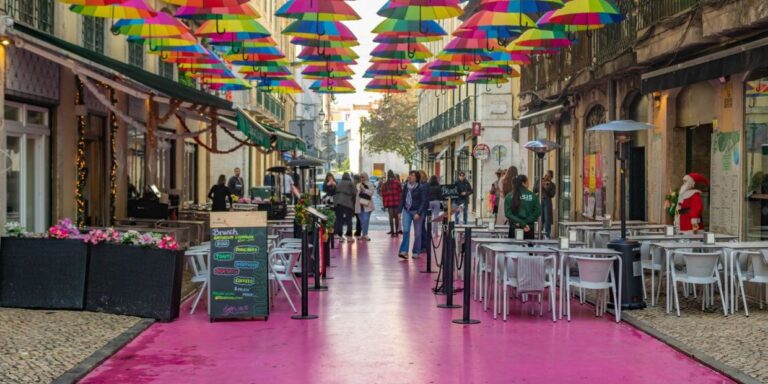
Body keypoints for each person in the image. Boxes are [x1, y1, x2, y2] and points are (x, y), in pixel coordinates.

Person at [399, 171, 427, 259]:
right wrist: (399, 211)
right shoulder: (405, 187)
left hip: (417, 212)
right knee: (406, 231)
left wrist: (418, 213)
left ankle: (416, 251)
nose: (410, 177)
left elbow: (423, 201)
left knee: (418, 233)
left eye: (412, 175)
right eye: (409, 175)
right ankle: (404, 251)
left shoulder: (421, 187)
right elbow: (402, 198)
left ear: (416, 178)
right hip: (407, 211)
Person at [504, 175, 541, 240]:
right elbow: (538, 211)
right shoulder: (533, 196)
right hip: (528, 228)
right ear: (523, 183)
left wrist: (521, 223)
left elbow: (508, 214)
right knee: (528, 249)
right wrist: (525, 223)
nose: (529, 183)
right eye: (528, 181)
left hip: (514, 228)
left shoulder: (509, 196)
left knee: (512, 249)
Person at [334, 173, 356, 242]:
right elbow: (355, 193)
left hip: (338, 203)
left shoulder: (339, 183)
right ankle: (349, 237)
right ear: (348, 177)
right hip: (347, 203)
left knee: (339, 220)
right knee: (349, 220)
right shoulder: (350, 183)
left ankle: (340, 237)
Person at [535, 170, 557, 238]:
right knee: (540, 218)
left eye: (548, 176)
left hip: (547, 201)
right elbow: (534, 189)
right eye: (546, 175)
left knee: (547, 220)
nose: (546, 177)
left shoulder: (552, 185)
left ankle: (547, 235)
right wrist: (541, 185)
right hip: (540, 201)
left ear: (551, 177)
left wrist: (546, 188)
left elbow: (552, 194)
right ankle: (539, 234)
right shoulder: (539, 181)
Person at [381, 170, 403, 237]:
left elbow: (383, 195)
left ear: (388, 175)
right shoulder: (397, 183)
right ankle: (396, 232)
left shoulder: (385, 184)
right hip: (396, 202)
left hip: (389, 203)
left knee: (390, 217)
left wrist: (384, 205)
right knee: (396, 217)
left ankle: (392, 232)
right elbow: (401, 192)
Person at [356, 172, 376, 241]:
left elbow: (371, 193)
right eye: (360, 177)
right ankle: (363, 234)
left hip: (367, 205)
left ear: (366, 177)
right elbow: (357, 194)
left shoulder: (370, 184)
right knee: (362, 221)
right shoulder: (358, 185)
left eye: (363, 177)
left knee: (365, 220)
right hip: (359, 205)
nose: (361, 178)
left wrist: (364, 190)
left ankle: (365, 234)